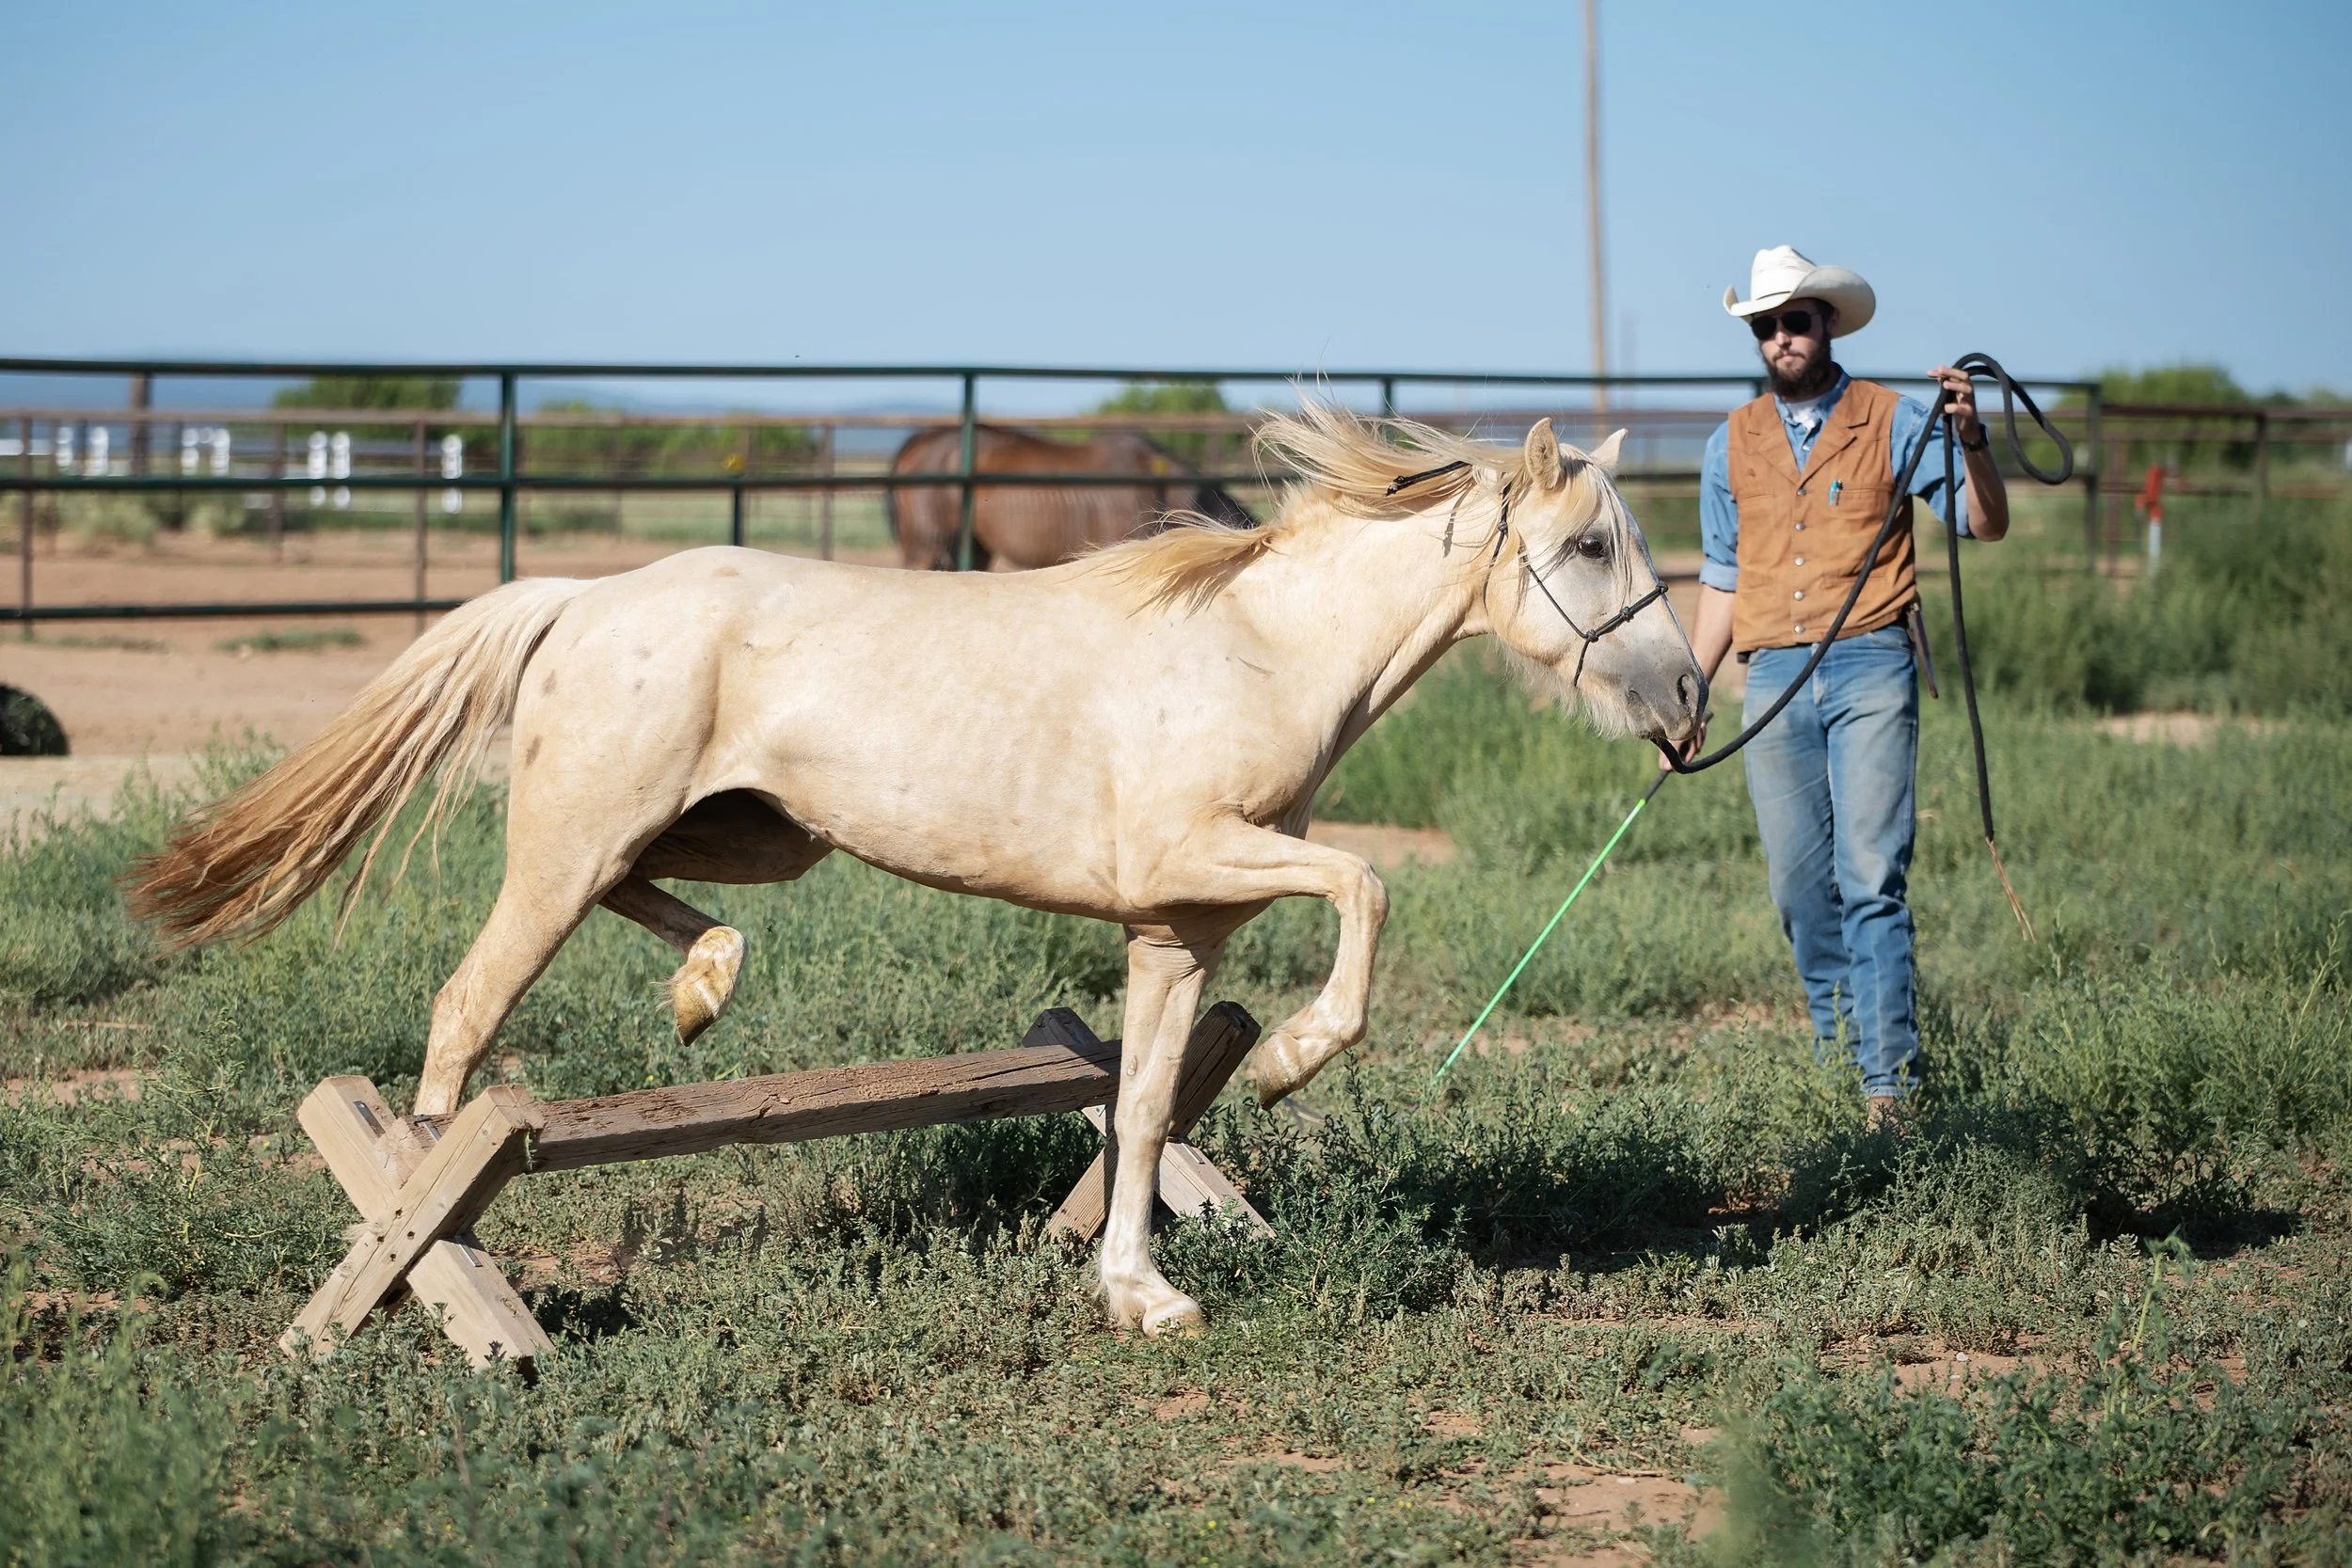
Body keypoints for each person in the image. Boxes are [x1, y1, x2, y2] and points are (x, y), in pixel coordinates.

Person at [1671, 245, 2009, 1125]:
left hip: (1871, 659)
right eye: (1766, 325)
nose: (1782, 337)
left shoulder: (1896, 420)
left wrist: (1971, 434)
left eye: (1796, 320)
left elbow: (1982, 521)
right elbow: (1721, 577)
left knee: (1870, 874)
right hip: (1772, 670)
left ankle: (1886, 1083)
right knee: (1796, 887)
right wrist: (1690, 694)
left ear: (1827, 323)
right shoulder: (1728, 444)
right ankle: (1839, 1051)